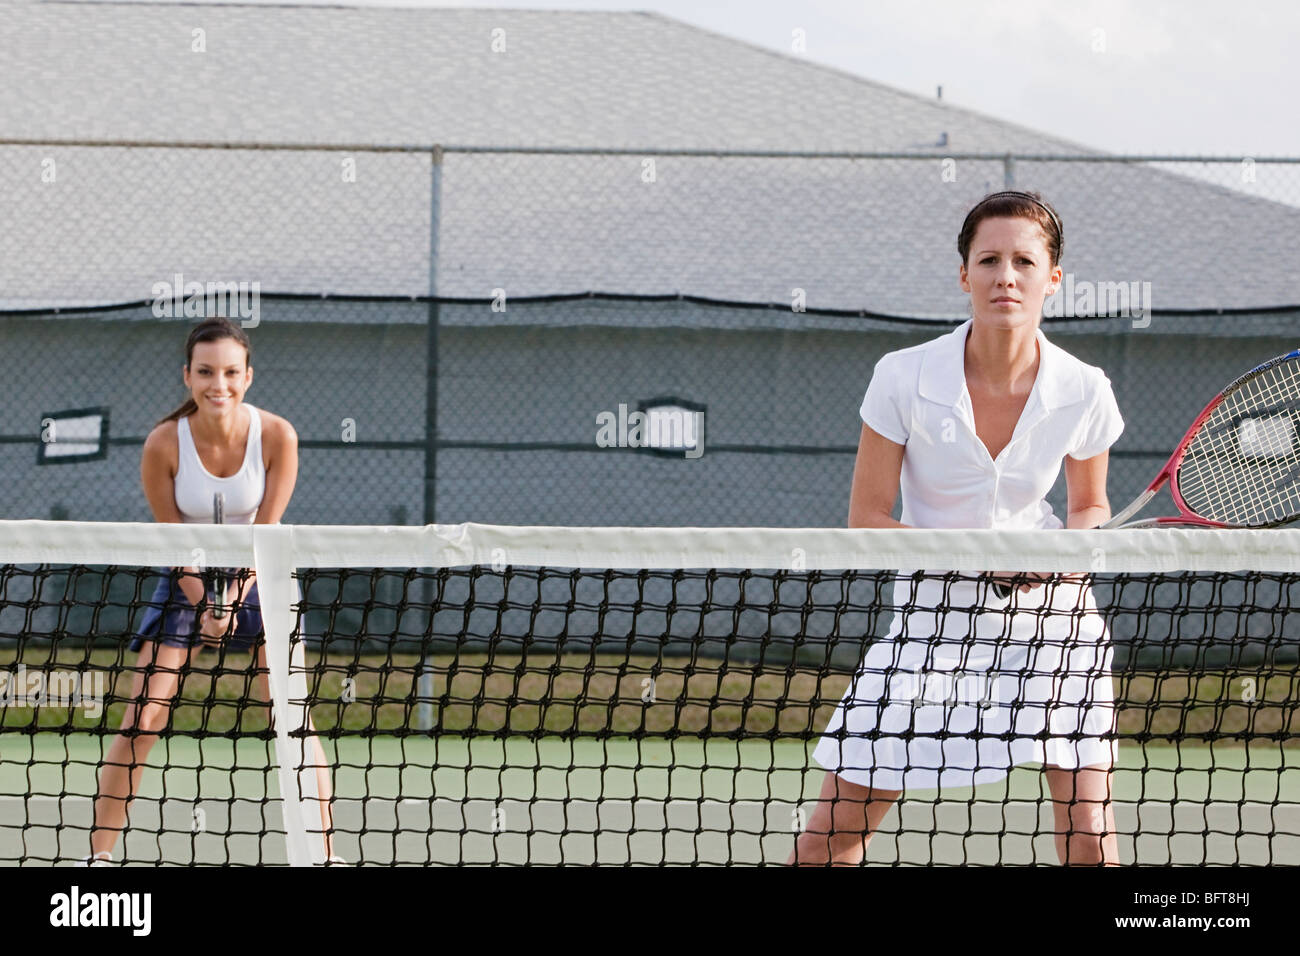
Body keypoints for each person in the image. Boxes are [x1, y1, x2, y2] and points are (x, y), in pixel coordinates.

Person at [790, 191, 1125, 866]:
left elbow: (1091, 505)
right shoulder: (902, 377)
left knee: (1089, 831)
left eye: (1025, 261)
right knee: (829, 841)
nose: (1007, 275)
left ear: (1052, 278)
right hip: (931, 627)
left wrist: (1065, 558)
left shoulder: (1084, 388)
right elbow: (868, 520)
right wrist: (980, 562)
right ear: (963, 274)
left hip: (1054, 630)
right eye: (989, 259)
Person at [84, 317, 341, 865]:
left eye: (229, 372)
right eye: (205, 372)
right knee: (143, 719)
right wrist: (205, 601)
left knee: (292, 719)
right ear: (187, 376)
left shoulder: (277, 436)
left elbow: (266, 533)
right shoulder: (162, 444)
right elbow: (174, 543)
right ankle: (98, 860)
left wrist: (230, 601)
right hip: (185, 580)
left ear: (248, 376)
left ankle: (324, 856)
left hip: (262, 577)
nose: (217, 384)